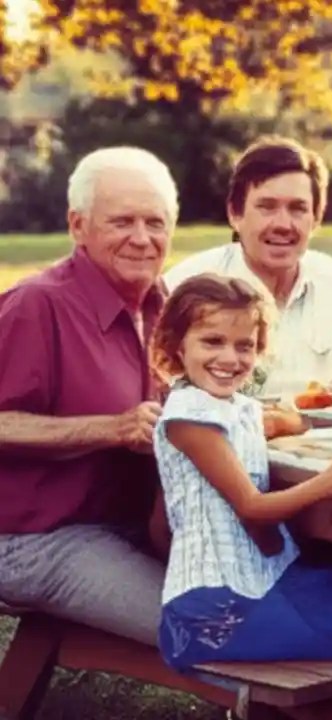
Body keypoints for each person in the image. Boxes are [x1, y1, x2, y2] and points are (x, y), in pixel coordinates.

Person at [149, 274, 332, 670]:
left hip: (262, 575)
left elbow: (272, 422)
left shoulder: (235, 406)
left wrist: (302, 423)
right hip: (216, 608)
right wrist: (321, 485)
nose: (230, 359)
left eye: (245, 346)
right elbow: (251, 507)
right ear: (177, 345)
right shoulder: (190, 417)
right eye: (212, 342)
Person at [0, 147, 177, 645]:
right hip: (36, 538)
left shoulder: (166, 303)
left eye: (156, 223)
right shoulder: (38, 304)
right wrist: (114, 428)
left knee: (263, 593)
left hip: (139, 524)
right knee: (201, 628)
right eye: (122, 222)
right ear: (78, 226)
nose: (142, 239)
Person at [165, 136, 332, 397]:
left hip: (318, 435)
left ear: (316, 219)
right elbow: (170, 397)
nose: (283, 224)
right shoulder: (185, 283)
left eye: (298, 209)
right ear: (235, 215)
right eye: (266, 207)